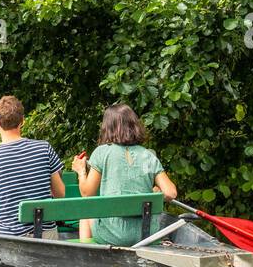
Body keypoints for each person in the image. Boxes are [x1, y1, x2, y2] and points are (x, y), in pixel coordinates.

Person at [0, 95, 66, 238]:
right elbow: (60, 193)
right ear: (22, 121)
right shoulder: (44, 148)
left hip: (11, 237)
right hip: (48, 235)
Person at [71, 103, 177, 246]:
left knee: (86, 209)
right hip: (147, 235)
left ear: (107, 127)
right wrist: (155, 191)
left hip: (114, 235)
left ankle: (86, 258)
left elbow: (87, 193)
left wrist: (81, 171)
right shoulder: (147, 155)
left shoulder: (102, 152)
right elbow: (171, 193)